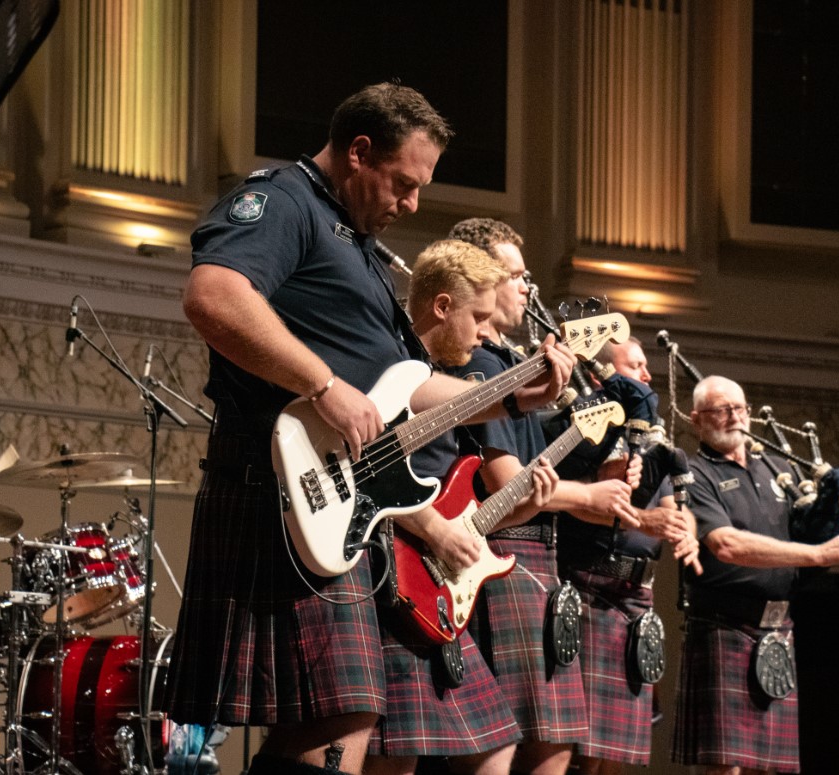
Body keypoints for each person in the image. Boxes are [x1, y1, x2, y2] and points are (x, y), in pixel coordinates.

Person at [164, 85, 573, 775]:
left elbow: (404, 389)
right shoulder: (283, 201)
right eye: (404, 183)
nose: (411, 204)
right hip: (279, 486)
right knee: (343, 717)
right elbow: (213, 296)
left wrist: (513, 398)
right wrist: (323, 385)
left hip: (341, 497)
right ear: (358, 151)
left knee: (342, 719)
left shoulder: (360, 248)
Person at [448, 218, 640, 775]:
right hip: (504, 560)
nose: (527, 287)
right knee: (508, 749)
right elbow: (506, 484)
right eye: (516, 275)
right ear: (480, 281)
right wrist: (587, 497)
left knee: (549, 746)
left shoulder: (511, 363)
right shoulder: (484, 365)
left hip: (537, 560)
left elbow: (535, 475)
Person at [367, 239, 560, 775]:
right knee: (393, 758)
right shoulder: (390, 365)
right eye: (477, 317)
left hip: (432, 575)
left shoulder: (445, 378)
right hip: (392, 565)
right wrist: (433, 529)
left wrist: (525, 505)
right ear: (442, 306)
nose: (482, 333)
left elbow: (470, 504)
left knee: (491, 746)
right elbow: (365, 468)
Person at [671, 375, 839, 775]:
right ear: (696, 420)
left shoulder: (778, 468)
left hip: (778, 632)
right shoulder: (694, 475)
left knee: (769, 769)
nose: (735, 417)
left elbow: (807, 540)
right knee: (725, 768)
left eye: (740, 408)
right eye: (722, 410)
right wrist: (819, 553)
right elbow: (726, 545)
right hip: (723, 628)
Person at [558, 339, 701, 775]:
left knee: (618, 753)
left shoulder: (653, 441)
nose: (647, 375)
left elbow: (675, 508)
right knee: (581, 750)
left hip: (636, 595)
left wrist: (686, 532)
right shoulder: (586, 432)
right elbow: (578, 503)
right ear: (603, 375)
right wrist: (643, 521)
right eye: (635, 365)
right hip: (589, 585)